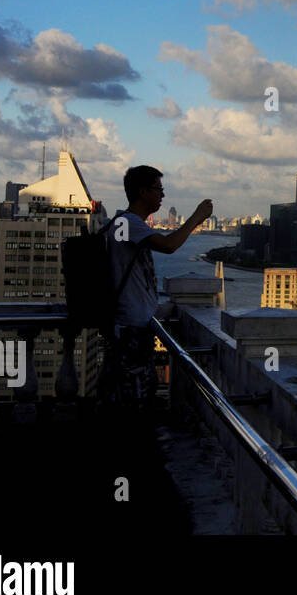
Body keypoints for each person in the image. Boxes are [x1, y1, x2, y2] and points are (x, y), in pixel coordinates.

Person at [100, 165, 213, 411]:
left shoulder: (124, 224)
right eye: (158, 189)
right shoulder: (127, 223)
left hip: (130, 323)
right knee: (134, 396)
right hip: (130, 326)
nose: (162, 196)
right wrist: (197, 217)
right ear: (142, 191)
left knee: (131, 392)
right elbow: (169, 245)